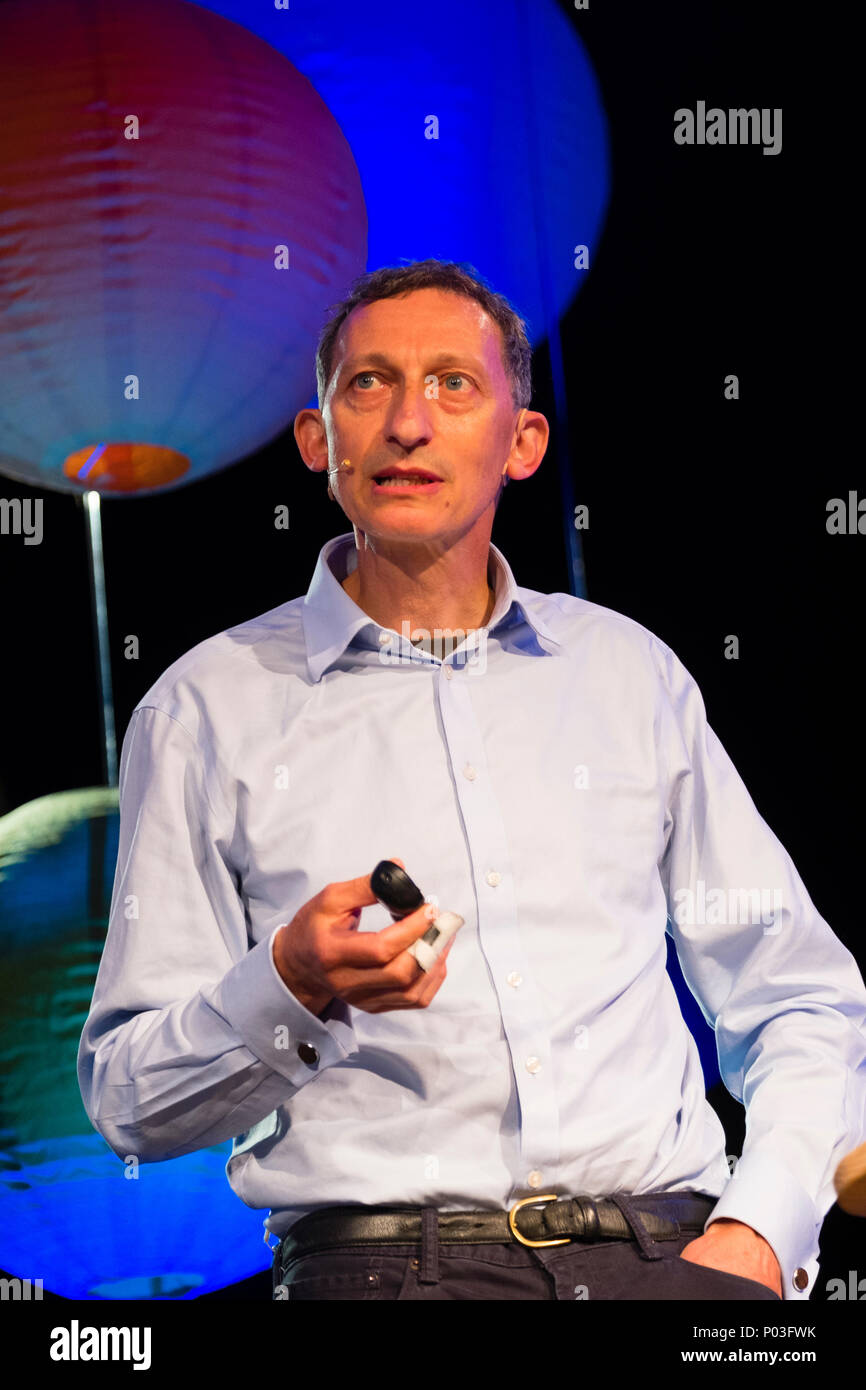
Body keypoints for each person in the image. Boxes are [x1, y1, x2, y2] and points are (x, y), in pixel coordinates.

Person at [77, 259, 866, 1302]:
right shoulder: (205, 708)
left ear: (521, 443)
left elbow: (795, 993)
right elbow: (131, 1099)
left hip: (672, 1254)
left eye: (453, 383)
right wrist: (290, 982)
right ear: (320, 442)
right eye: (367, 384)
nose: (408, 421)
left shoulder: (626, 673)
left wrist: (759, 1231)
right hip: (384, 1270)